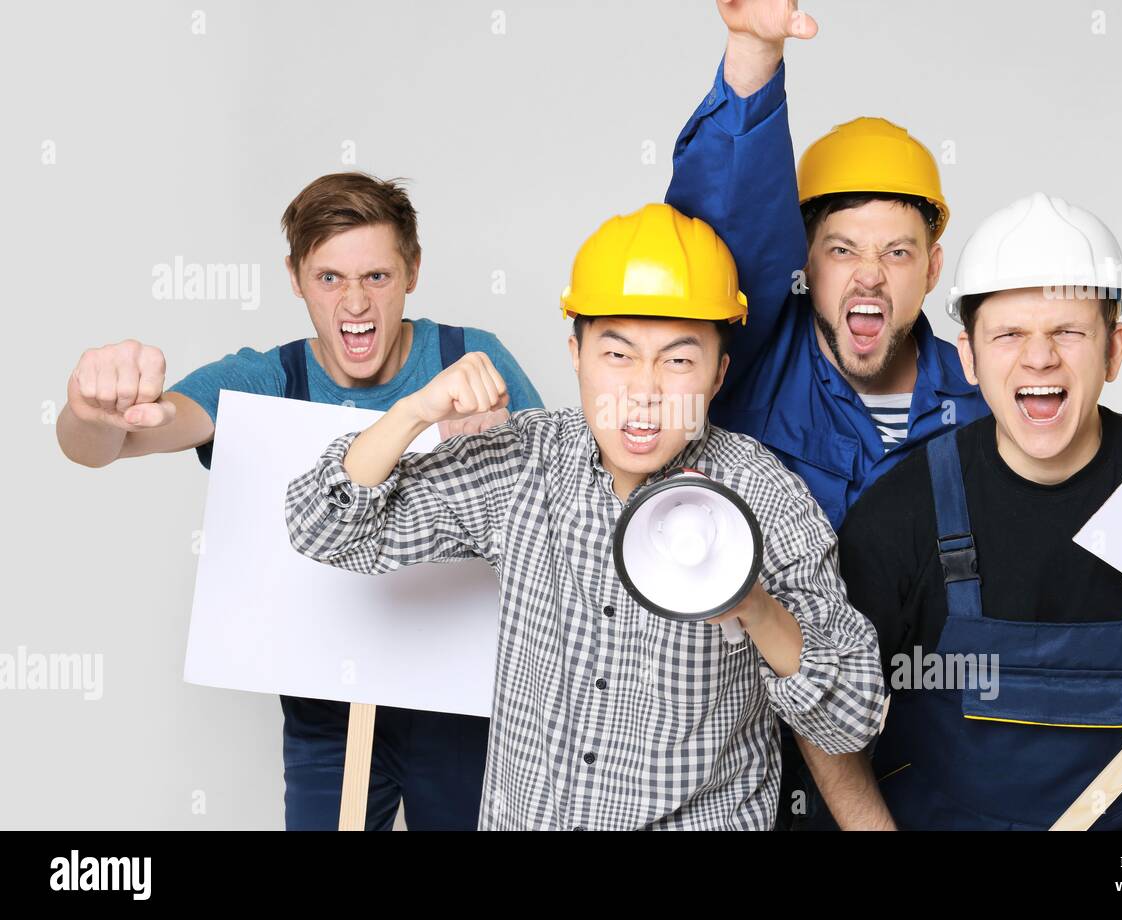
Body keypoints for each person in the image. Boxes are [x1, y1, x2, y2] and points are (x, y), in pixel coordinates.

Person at [284, 202, 886, 829]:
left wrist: (753, 603)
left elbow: (852, 719)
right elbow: (321, 528)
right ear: (575, 354)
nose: (644, 391)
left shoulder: (763, 494)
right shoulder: (524, 460)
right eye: (617, 355)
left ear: (718, 374)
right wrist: (412, 413)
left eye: (679, 360)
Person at [56, 172, 544, 830]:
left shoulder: (472, 360)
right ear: (295, 277)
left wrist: (505, 448)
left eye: (376, 276)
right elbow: (108, 445)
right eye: (329, 278)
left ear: (413, 271)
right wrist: (93, 409)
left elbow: (560, 515)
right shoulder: (266, 379)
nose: (355, 304)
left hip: (462, 709)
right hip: (326, 717)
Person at [831, 193, 1122, 830]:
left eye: (1067, 332)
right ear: (968, 357)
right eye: (1009, 335)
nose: (1039, 358)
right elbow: (824, 711)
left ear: (1113, 350)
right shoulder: (901, 508)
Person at [664, 0, 988, 827]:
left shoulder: (985, 405)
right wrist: (752, 53)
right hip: (745, 752)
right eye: (843, 248)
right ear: (805, 258)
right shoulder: (749, 361)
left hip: (921, 754)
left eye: (896, 251)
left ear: (934, 266)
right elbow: (727, 220)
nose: (869, 278)